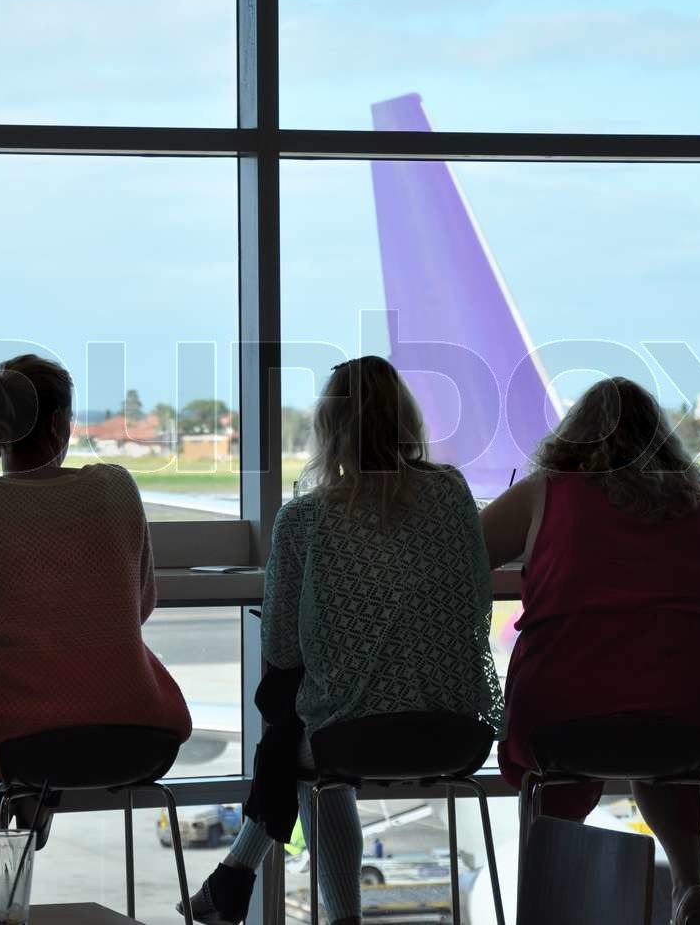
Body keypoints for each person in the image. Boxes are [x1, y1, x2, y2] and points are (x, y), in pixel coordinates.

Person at [185, 356, 505, 925]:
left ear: (330, 428)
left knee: (298, 744)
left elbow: (282, 648)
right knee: (299, 740)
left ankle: (317, 909)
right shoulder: (453, 496)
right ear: (406, 421)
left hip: (355, 738)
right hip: (461, 729)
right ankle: (231, 881)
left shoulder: (305, 519)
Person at [482, 376, 700, 925]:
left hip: (562, 715)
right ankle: (690, 886)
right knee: (659, 749)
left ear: (573, 437)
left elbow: (456, 555)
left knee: (569, 758)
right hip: (697, 716)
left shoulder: (547, 490)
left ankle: (550, 896)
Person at [0, 354, 191, 828]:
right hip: (138, 737)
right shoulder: (115, 488)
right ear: (58, 423)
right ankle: (34, 804)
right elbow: (138, 607)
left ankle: (15, 811)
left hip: (16, 741)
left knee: (16, 742)